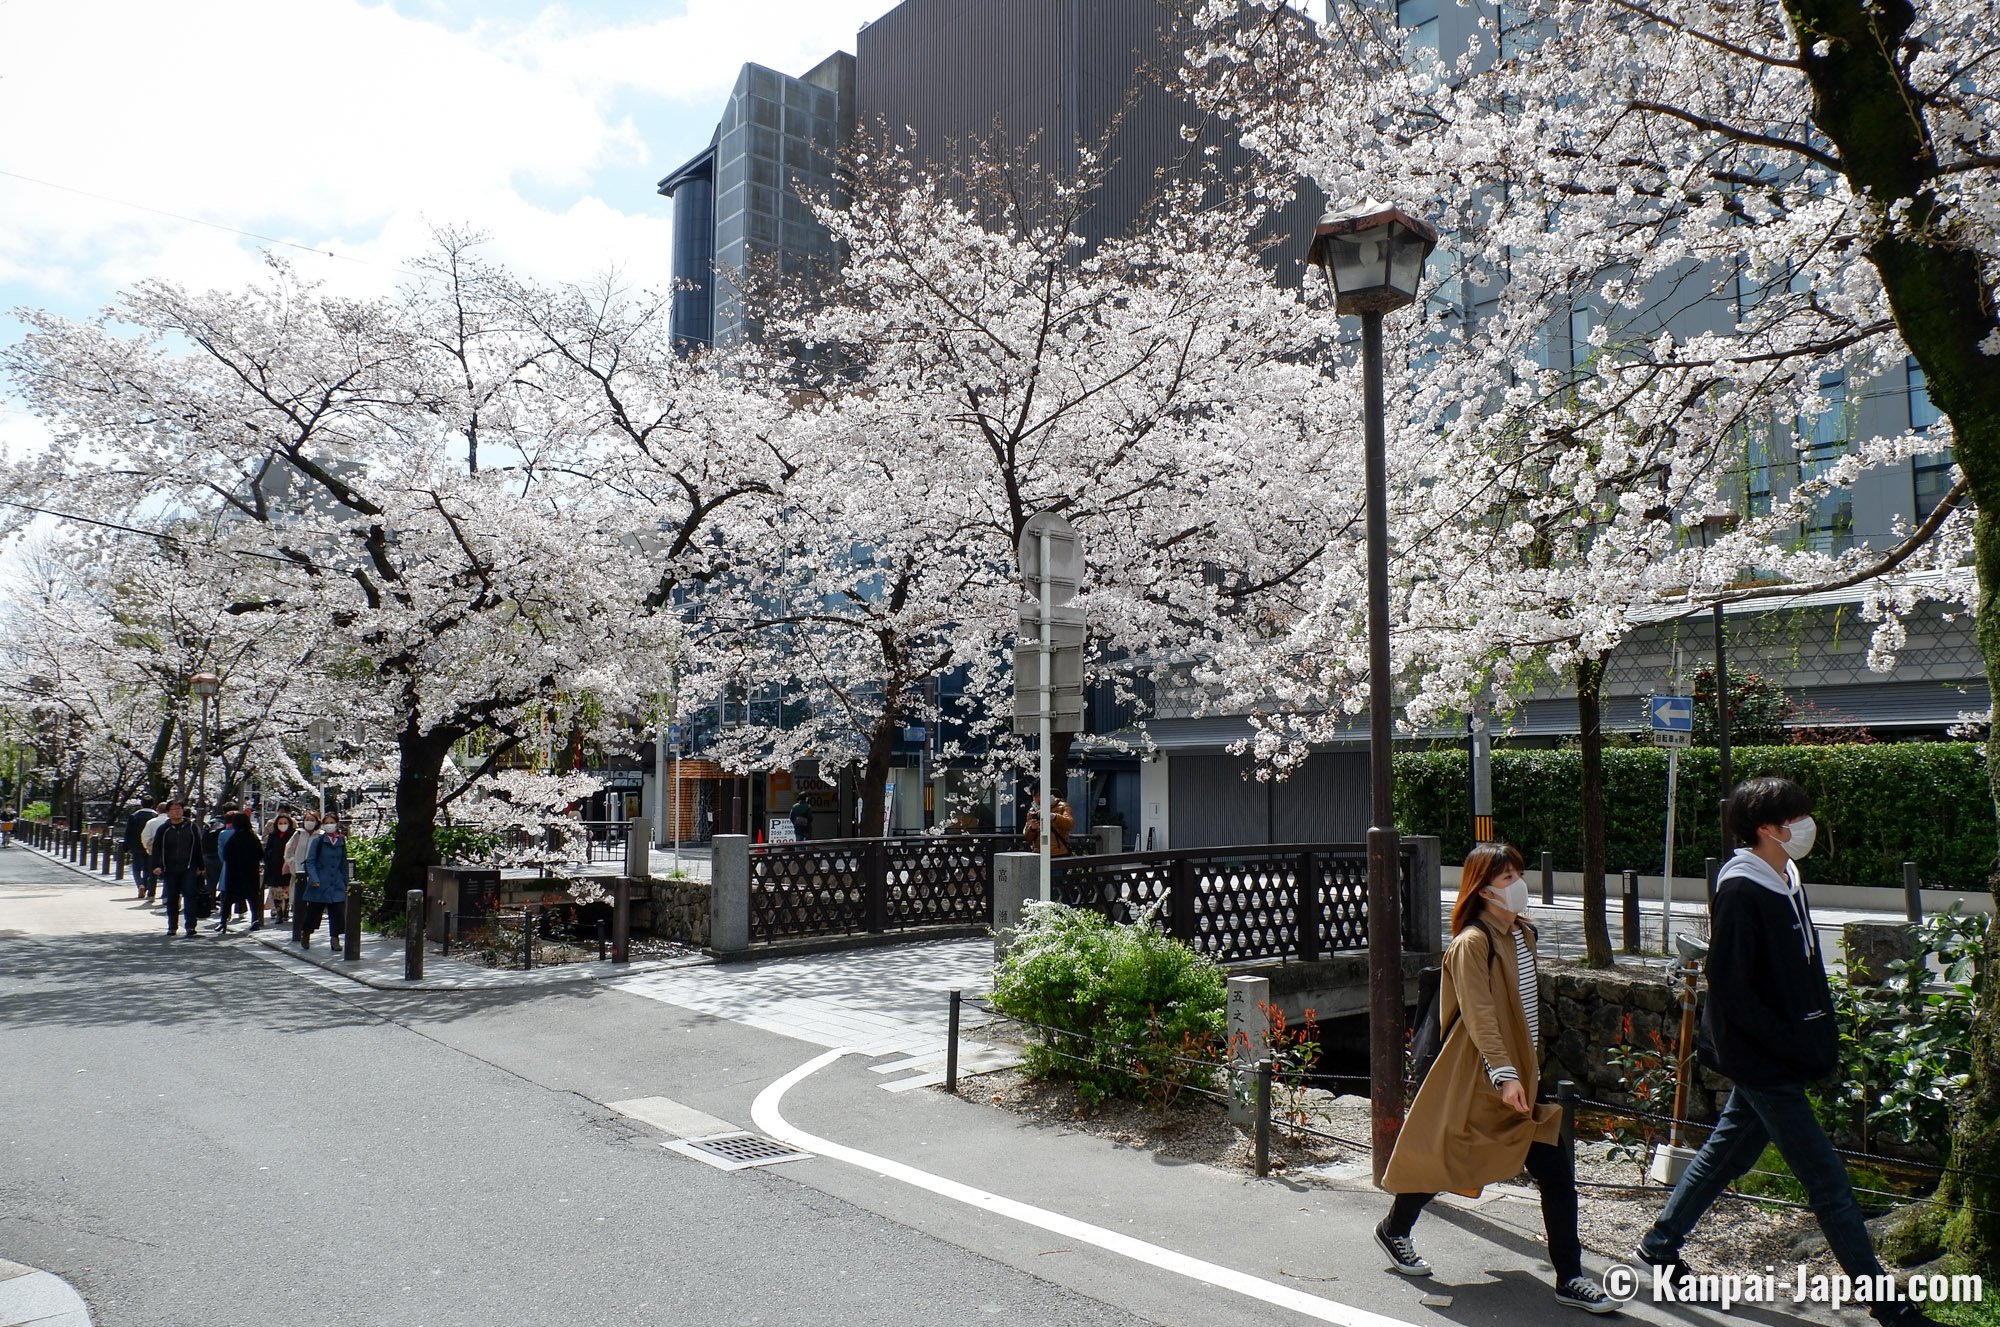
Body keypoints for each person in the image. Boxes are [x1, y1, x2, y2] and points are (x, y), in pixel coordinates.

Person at [1636, 778, 1939, 1326]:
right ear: (1765, 830)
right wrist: (1784, 1043)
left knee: (1727, 1153)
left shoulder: (1786, 875)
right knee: (1827, 1181)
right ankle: (1887, 1305)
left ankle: (1659, 1245)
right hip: (1763, 1058)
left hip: (1780, 1049)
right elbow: (1729, 986)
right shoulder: (1741, 889)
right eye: (1794, 818)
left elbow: (1801, 967)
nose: (1805, 826)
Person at [1375, 841, 1614, 1313]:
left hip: (1520, 1074)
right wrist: (1505, 1075)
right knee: (1451, 1160)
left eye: (1518, 874)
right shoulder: (1472, 943)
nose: (1518, 885)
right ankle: (1394, 1229)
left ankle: (1569, 1277)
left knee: (1556, 1172)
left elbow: (1524, 1012)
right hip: (1481, 1075)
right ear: (1482, 890)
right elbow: (1482, 1016)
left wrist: (1523, 1071)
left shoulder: (1521, 935)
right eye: (1507, 879)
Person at [151, 800, 209, 938]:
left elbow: (197, 847)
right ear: (168, 812)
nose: (177, 811)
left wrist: (201, 865)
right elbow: (157, 848)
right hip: (170, 868)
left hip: (189, 866)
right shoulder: (163, 829)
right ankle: (172, 926)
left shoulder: (191, 827)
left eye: (179, 809)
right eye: (174, 809)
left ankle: (190, 926)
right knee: (172, 897)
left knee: (190, 896)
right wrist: (155, 865)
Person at [299, 813, 350, 952]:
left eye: (332, 822)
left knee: (338, 912)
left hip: (336, 882)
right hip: (320, 882)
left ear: (337, 824)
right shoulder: (319, 841)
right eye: (326, 822)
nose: (329, 825)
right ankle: (306, 934)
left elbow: (343, 863)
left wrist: (346, 881)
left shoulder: (341, 841)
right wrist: (314, 879)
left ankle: (335, 938)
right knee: (314, 912)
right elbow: (310, 861)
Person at [212, 810, 263, 934]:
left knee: (228, 899)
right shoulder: (253, 837)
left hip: (234, 873)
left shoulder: (233, 838)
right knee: (252, 898)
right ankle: (255, 920)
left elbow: (226, 855)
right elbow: (260, 854)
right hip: (251, 873)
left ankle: (223, 922)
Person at [262, 812, 297, 925]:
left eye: (285, 823)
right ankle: (279, 913)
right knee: (276, 892)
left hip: (287, 866)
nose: (283, 825)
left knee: (287, 890)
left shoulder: (293, 835)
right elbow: (267, 850)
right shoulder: (273, 835)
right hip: (274, 867)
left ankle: (286, 910)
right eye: (280, 823)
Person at [124, 802, 158, 901]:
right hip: (149, 846)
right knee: (147, 868)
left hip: (136, 846)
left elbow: (128, 831)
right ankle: (145, 885)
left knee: (136, 867)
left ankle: (140, 884)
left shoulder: (134, 816)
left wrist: (126, 845)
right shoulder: (155, 816)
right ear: (152, 805)